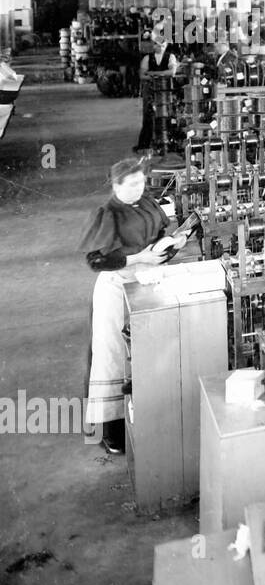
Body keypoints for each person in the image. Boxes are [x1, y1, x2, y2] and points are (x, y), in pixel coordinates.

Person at [79, 156, 190, 454]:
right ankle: (109, 429)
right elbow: (98, 260)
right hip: (116, 286)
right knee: (112, 354)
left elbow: (156, 239)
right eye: (131, 184)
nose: (138, 188)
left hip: (147, 282)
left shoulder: (147, 205)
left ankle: (149, 421)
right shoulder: (107, 213)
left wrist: (171, 244)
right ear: (116, 185)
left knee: (149, 350)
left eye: (141, 182)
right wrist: (141, 258)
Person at [134, 27, 180, 152]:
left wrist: (153, 74)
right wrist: (161, 74)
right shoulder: (147, 58)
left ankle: (170, 143)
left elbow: (172, 72)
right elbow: (142, 75)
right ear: (154, 45)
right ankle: (145, 144)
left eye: (163, 44)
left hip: (166, 92)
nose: (160, 47)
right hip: (150, 92)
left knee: (168, 116)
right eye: (157, 44)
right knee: (148, 117)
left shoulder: (171, 57)